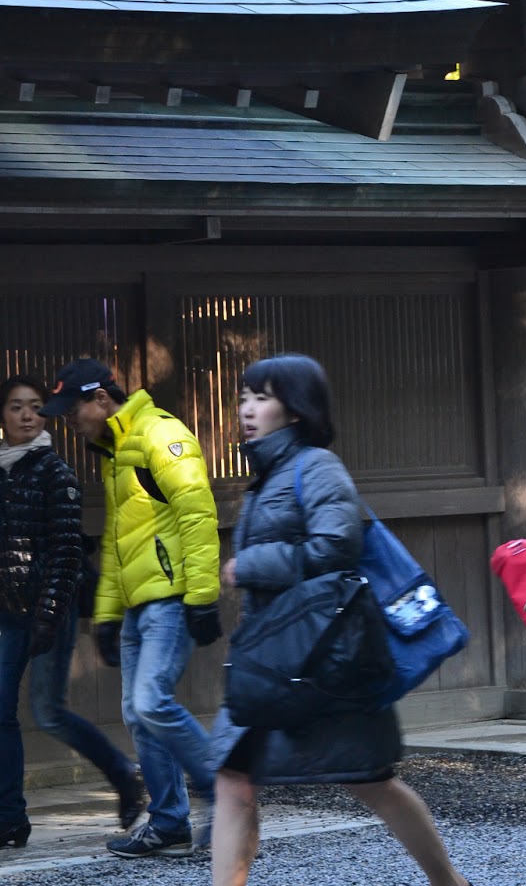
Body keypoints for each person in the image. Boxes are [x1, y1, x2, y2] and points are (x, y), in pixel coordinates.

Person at [209, 354, 471, 886]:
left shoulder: (316, 467)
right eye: (244, 397)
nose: (247, 408)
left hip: (321, 661)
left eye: (262, 397)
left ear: (298, 409)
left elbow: (337, 546)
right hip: (273, 662)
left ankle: (451, 883)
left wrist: (252, 564)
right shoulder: (269, 474)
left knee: (370, 781)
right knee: (234, 779)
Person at [41, 357, 221, 857]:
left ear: (101, 398)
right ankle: (169, 822)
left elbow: (197, 512)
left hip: (170, 598)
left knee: (150, 702)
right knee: (138, 714)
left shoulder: (159, 432)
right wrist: (106, 613)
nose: (69, 421)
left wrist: (203, 597)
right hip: (140, 605)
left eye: (72, 408)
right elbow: (123, 543)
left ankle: (226, 793)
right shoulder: (116, 450)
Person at [0, 374, 145, 848]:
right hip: (6, 611)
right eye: (17, 406)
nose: (26, 415)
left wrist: (47, 615)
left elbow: (65, 553)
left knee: (48, 712)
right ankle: (10, 819)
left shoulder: (54, 472)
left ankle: (124, 776)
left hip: (49, 609)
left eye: (36, 406)